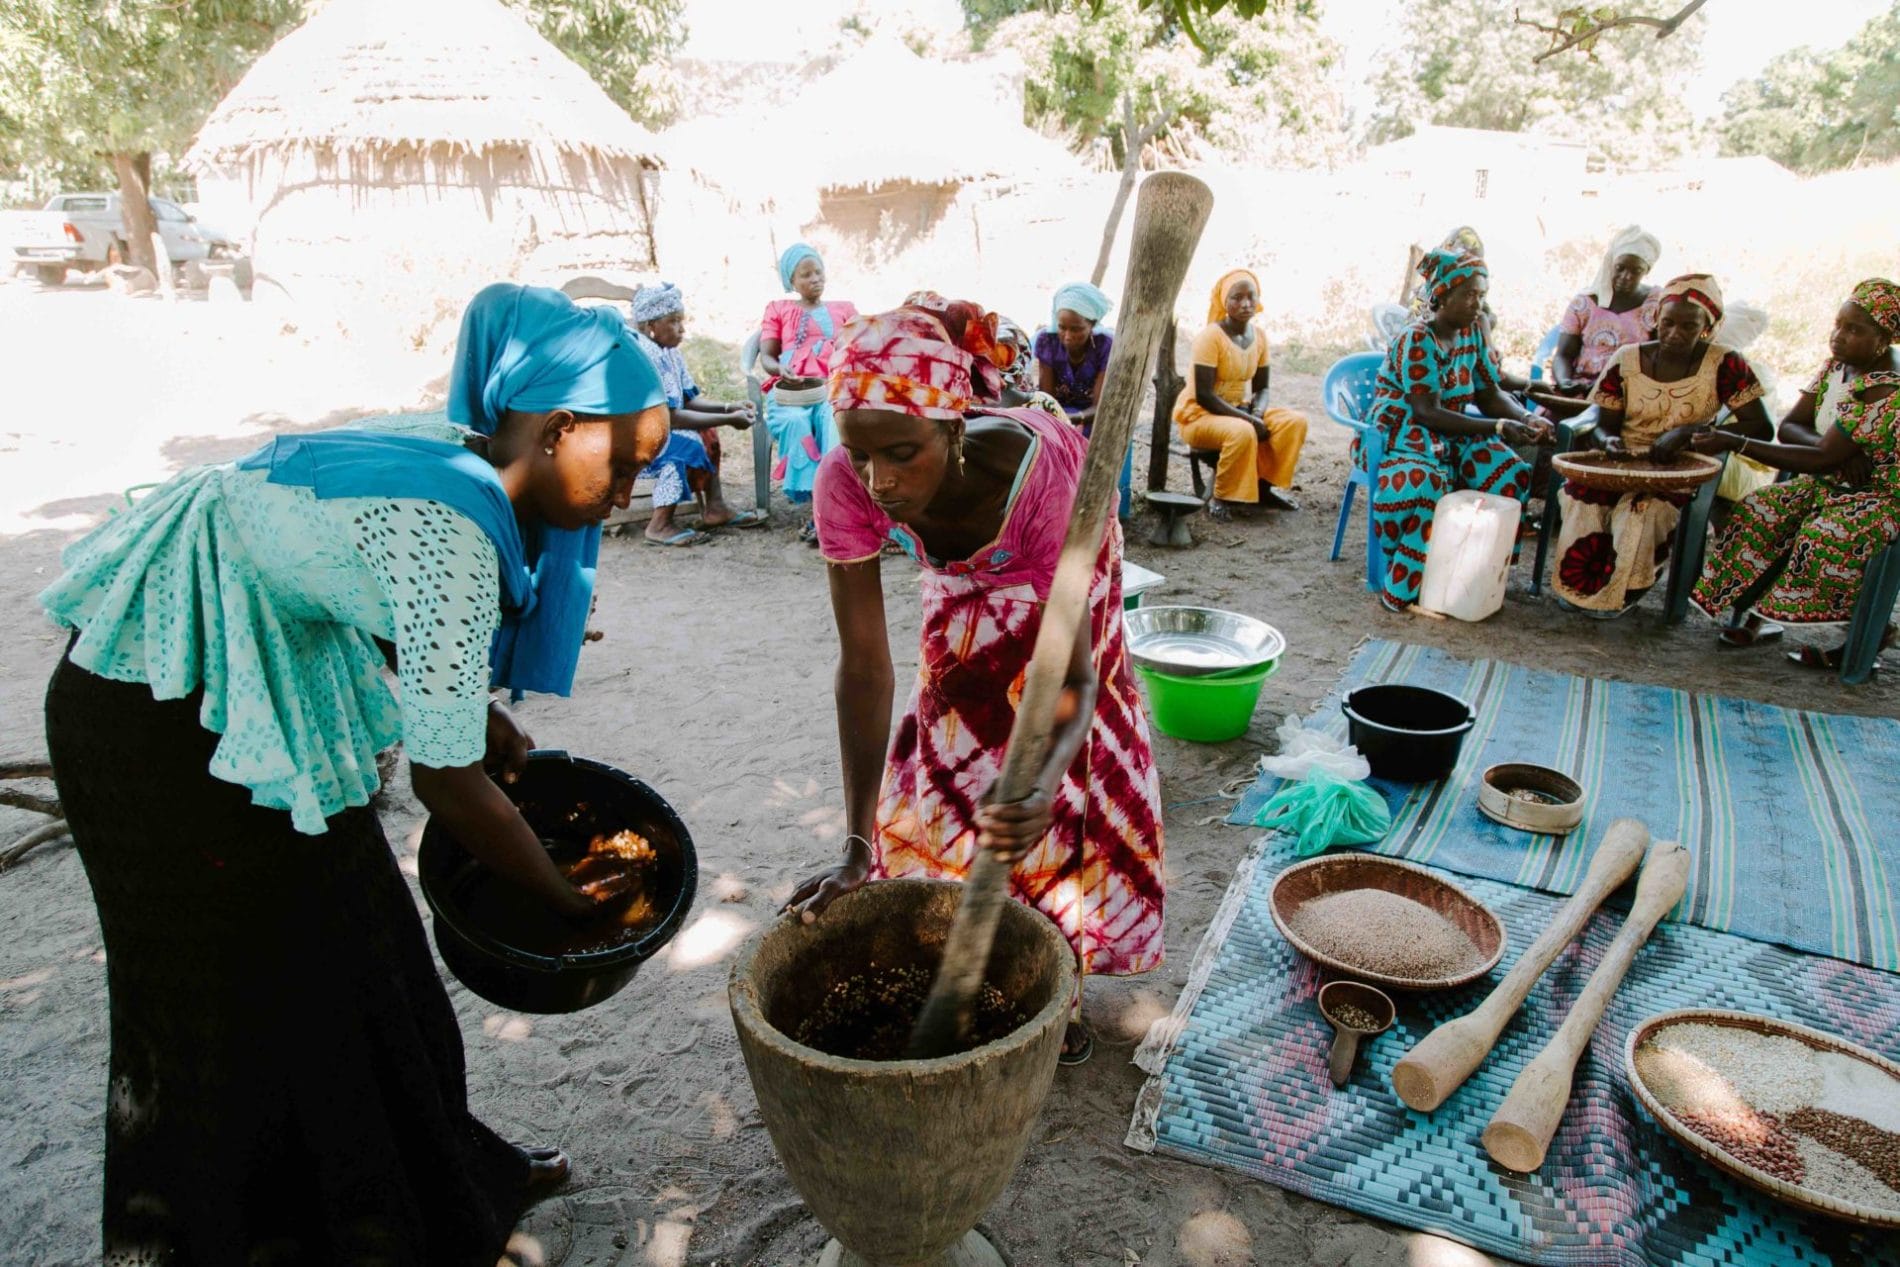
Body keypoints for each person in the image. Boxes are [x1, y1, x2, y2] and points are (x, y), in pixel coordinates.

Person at [37, 284, 669, 1264]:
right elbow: (447, 786)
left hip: (240, 681)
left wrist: (466, 707)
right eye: (621, 463)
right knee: (216, 1008)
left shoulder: (454, 451)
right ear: (556, 431)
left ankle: (443, 1181)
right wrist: (564, 895)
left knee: (368, 953)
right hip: (152, 715)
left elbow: (343, 565)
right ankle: (242, 1236)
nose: (628, 493)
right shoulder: (455, 530)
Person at [785, 294, 1165, 1066]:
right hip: (962, 580)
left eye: (900, 452)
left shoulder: (1047, 478)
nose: (879, 481)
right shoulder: (846, 482)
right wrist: (857, 845)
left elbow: (1074, 674)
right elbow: (864, 669)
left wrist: (1039, 780)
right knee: (953, 749)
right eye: (860, 453)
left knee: (1053, 794)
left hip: (1055, 555)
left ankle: (1053, 983)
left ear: (952, 428)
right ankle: (964, 961)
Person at [1692, 278, 1900, 669]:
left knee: (1825, 535)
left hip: (1881, 495)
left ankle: (1868, 634)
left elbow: (1818, 456)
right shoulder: (1838, 366)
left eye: (1855, 330)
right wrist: (1836, 450)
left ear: (1883, 338)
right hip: (1830, 480)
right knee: (1760, 510)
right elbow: (1791, 427)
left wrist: (1735, 442)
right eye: (1839, 324)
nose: (1838, 336)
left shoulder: (1886, 388)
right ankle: (1760, 618)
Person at [1549, 273, 1772, 616]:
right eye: (1668, 323)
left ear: (1708, 327)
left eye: (1688, 326)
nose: (1675, 334)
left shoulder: (1725, 362)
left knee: (1642, 509)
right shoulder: (1628, 358)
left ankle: (1625, 591)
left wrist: (1689, 431)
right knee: (1582, 497)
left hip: (1681, 466)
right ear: (1655, 319)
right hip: (1624, 460)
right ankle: (1580, 587)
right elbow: (1603, 424)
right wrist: (1608, 442)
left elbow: (1761, 427)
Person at [1367, 248, 1554, 613]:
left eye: (1481, 295)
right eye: (1468, 294)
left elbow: (1488, 391)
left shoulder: (1469, 334)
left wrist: (1526, 418)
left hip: (1450, 430)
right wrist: (1499, 426)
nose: (1477, 303)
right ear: (1441, 295)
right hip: (1402, 432)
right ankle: (1404, 586)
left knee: (1509, 472)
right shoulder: (1417, 338)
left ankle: (1473, 577)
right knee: (1427, 482)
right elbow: (1425, 412)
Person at [628, 281, 765, 545]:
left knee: (706, 431)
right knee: (684, 444)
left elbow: (690, 400)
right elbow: (672, 417)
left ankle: (715, 508)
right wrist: (728, 419)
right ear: (650, 326)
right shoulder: (647, 357)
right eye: (674, 321)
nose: (682, 328)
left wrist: (729, 407)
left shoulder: (670, 353)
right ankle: (659, 524)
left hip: (659, 426)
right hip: (635, 437)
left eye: (681, 320)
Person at [1171, 268, 1309, 519]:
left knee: (1293, 422)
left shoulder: (1260, 337)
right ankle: (1222, 496)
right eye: (1236, 297)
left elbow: (1262, 387)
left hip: (1239, 409)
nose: (1245, 304)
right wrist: (1248, 420)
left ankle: (1263, 487)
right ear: (1225, 301)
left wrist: (1256, 412)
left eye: (1251, 297)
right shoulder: (1210, 337)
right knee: (1242, 431)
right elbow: (1204, 395)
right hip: (1199, 416)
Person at [759, 243, 859, 542]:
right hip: (791, 391)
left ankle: (830, 508)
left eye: (818, 272)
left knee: (833, 421)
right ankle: (818, 509)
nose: (814, 279)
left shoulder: (845, 309)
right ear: (792, 281)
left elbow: (860, 346)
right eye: (805, 274)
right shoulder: (779, 309)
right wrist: (779, 369)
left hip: (832, 387)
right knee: (795, 423)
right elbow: (766, 356)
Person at [1549, 224, 1663, 396]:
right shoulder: (1584, 303)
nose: (1626, 276)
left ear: (1647, 270)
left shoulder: (1656, 303)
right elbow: (1563, 355)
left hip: (1630, 391)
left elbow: (1659, 356)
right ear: (1611, 264)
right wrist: (1565, 382)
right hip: (1581, 387)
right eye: (1620, 268)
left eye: (1636, 271)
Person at [1035, 281, 1115, 431]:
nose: (1067, 336)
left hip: (1093, 415)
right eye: (1062, 327)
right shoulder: (1047, 341)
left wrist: (1075, 419)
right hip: (1057, 413)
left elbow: (1099, 406)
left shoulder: (1105, 345)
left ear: (1092, 325)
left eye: (1076, 329)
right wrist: (1061, 420)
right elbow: (1047, 400)